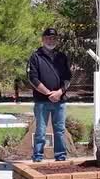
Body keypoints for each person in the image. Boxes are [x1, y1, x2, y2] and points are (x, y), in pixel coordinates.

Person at [26, 27, 71, 162]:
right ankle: (38, 157)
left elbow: (68, 77)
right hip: (41, 101)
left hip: (60, 100)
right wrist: (47, 93)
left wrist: (59, 92)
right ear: (43, 39)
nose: (51, 40)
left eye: (53, 38)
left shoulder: (62, 57)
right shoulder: (35, 56)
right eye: (48, 38)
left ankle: (60, 156)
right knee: (40, 131)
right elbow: (32, 78)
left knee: (60, 130)